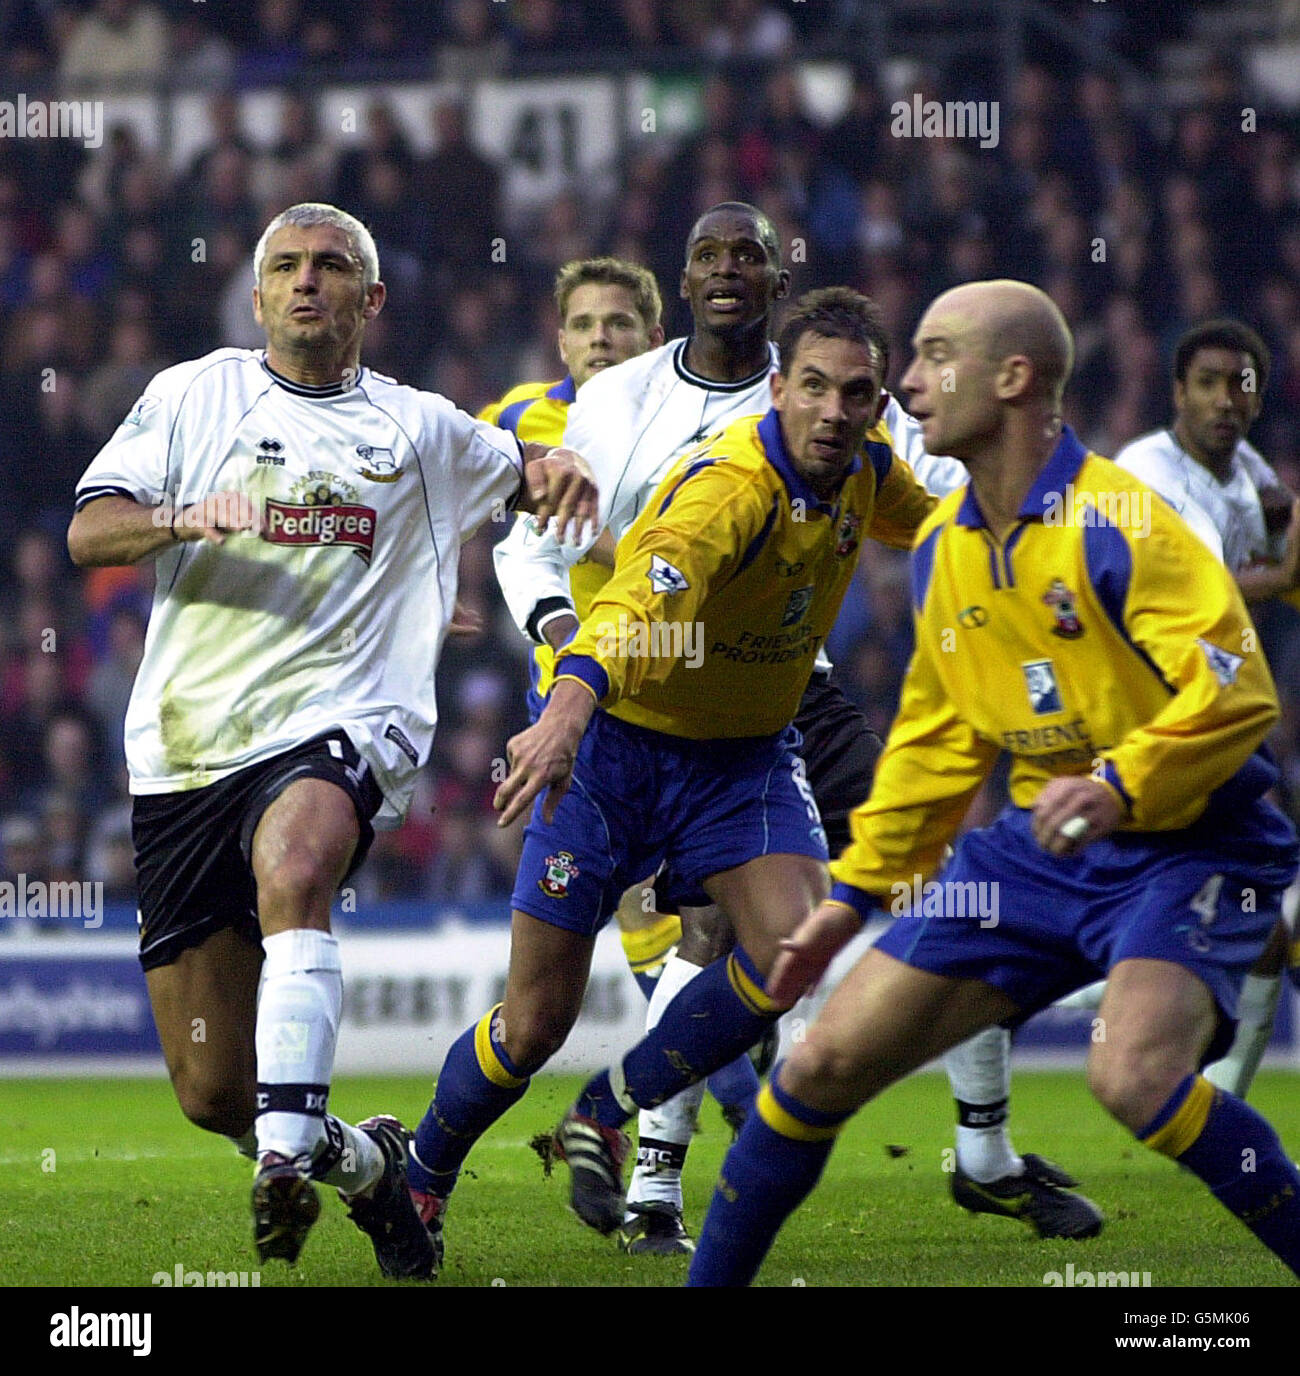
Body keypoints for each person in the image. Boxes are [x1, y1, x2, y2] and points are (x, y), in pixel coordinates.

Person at [414, 203, 1099, 1255]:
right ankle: (424, 1171)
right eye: (814, 389)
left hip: (750, 748)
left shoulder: (867, 464)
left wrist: (1053, 539)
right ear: (778, 388)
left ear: (878, 404)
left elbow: (945, 524)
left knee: (793, 946)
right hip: (614, 740)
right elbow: (635, 598)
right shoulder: (721, 482)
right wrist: (559, 707)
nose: (832, 411)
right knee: (533, 1018)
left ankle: (620, 1110)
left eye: (855, 394)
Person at [685, 280, 1300, 1286]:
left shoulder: (1120, 521)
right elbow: (935, 746)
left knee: (1131, 1071)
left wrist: (1116, 782)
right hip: (1034, 852)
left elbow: (1238, 695)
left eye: (931, 357)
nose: (906, 384)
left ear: (1013, 377)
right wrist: (851, 900)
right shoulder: (942, 547)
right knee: (816, 1067)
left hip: (1192, 843)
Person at [66, 202, 596, 1280]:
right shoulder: (189, 394)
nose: (308, 282)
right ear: (257, 295)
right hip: (185, 752)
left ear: (371, 297)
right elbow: (88, 528)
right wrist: (180, 519)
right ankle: (368, 1169)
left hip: (343, 726)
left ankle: (279, 1161)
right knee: (211, 1088)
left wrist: (558, 468)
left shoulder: (419, 427)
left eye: (332, 266)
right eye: (288, 267)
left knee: (300, 858)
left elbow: (520, 466)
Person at [1057, 318, 1300, 1099]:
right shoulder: (1148, 473)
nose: (1226, 399)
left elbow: (1274, 512)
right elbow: (1202, 592)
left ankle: (1217, 1102)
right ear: (1175, 394)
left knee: (1263, 920)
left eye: (1242, 384)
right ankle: (1052, 988)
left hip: (1203, 716)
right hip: (1144, 720)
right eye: (1207, 383)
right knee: (1249, 894)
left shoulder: (1242, 466)